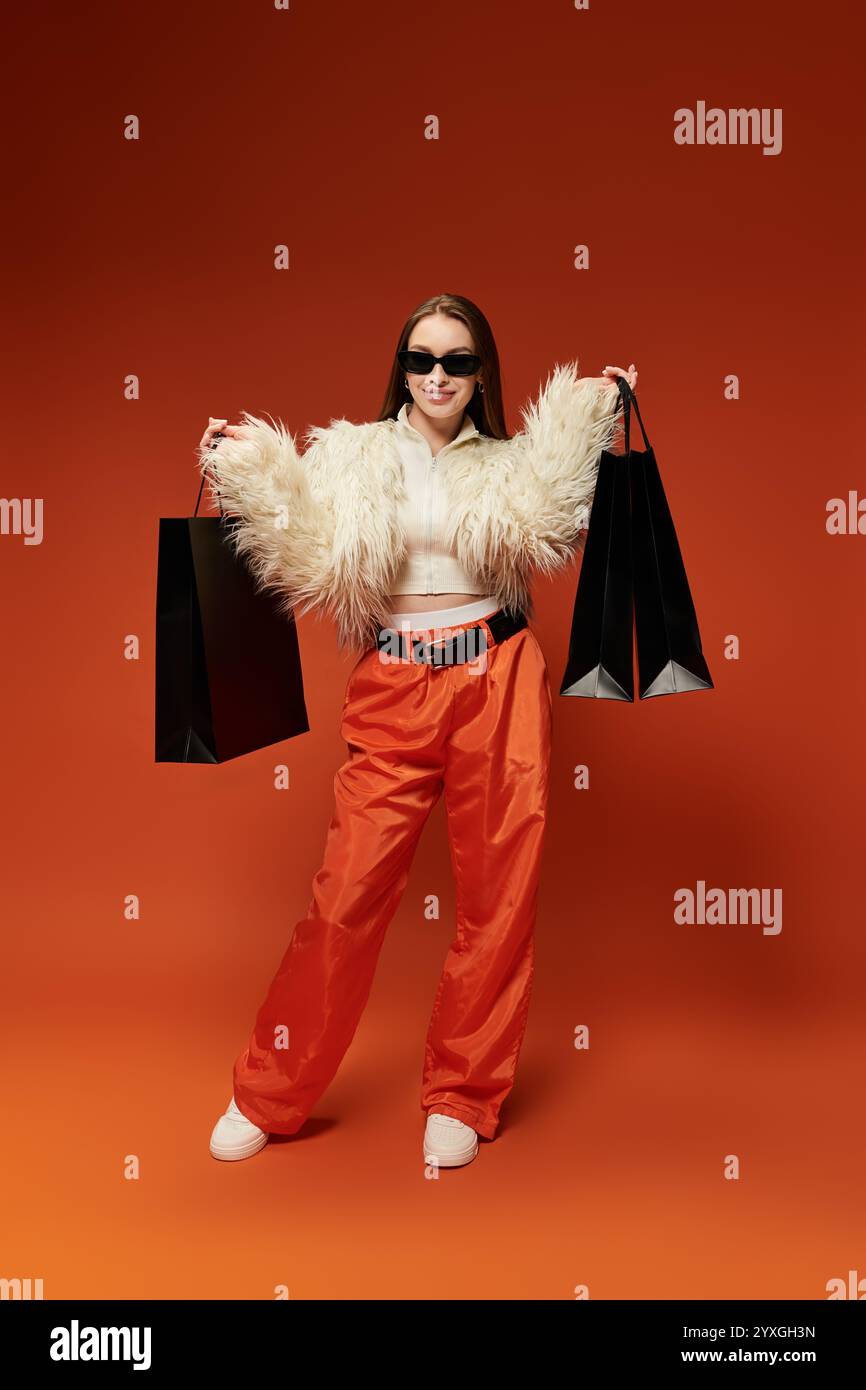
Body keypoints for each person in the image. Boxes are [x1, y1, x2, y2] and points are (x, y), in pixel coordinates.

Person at [199, 292, 637, 1168]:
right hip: (395, 682)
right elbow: (301, 543)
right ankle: (272, 1089)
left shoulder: (515, 462)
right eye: (422, 359)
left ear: (482, 375)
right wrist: (242, 467)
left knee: (498, 897)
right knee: (346, 896)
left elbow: (563, 514)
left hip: (499, 676)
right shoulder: (354, 456)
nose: (438, 377)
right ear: (401, 367)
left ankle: (464, 1094)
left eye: (458, 361)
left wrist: (597, 409)